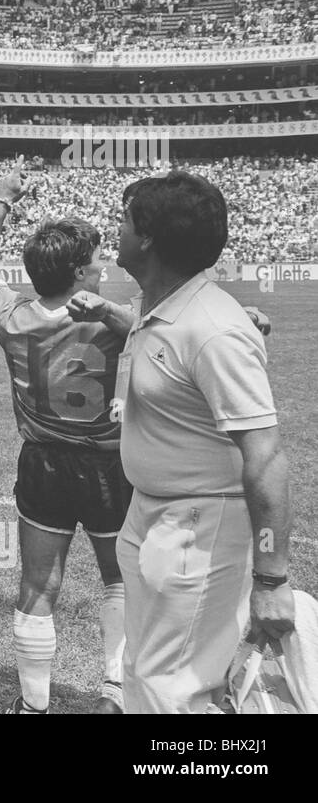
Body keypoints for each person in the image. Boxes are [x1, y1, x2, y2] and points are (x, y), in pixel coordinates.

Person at [88, 170, 294, 714]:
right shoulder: (161, 308)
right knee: (145, 670)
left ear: (149, 238)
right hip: (154, 515)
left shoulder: (213, 329)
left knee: (170, 686)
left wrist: (272, 577)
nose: (117, 229)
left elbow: (267, 456)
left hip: (200, 528)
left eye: (126, 220)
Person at [0, 171, 130, 714]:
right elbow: (170, 334)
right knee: (119, 579)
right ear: (81, 272)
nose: (104, 266)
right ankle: (115, 691)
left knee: (38, 586)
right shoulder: (122, 323)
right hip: (111, 464)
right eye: (98, 261)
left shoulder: (12, 317)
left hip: (42, 463)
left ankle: (34, 705)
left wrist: (1, 201)